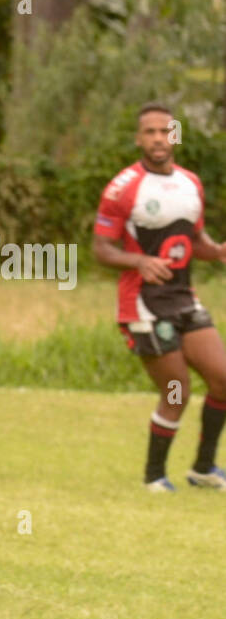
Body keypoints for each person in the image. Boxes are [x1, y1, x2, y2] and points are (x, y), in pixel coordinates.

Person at [93, 101, 226, 492]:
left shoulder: (190, 184)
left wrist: (217, 251)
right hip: (144, 305)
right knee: (176, 391)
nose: (157, 138)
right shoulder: (123, 188)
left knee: (223, 380)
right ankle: (154, 476)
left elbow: (194, 240)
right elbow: (102, 248)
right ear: (139, 138)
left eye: (164, 131)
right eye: (149, 131)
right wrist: (138, 261)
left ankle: (203, 469)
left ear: (175, 136)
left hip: (184, 300)